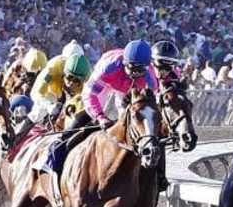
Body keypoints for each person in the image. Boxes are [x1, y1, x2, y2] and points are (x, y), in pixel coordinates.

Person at [48, 40, 156, 176]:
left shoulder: (150, 80)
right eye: (132, 68)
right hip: (107, 85)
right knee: (92, 116)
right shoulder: (109, 68)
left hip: (129, 91)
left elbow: (151, 109)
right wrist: (100, 117)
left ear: (147, 67)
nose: (134, 73)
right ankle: (59, 147)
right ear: (124, 62)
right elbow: (89, 95)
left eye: (140, 70)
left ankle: (158, 175)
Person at [28, 50, 92, 128]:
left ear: (83, 80)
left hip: (73, 96)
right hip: (52, 92)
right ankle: (18, 134)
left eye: (76, 80)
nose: (71, 83)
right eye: (69, 77)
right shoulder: (52, 70)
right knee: (38, 112)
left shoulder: (88, 81)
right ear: (64, 73)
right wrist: (48, 105)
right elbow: (37, 93)